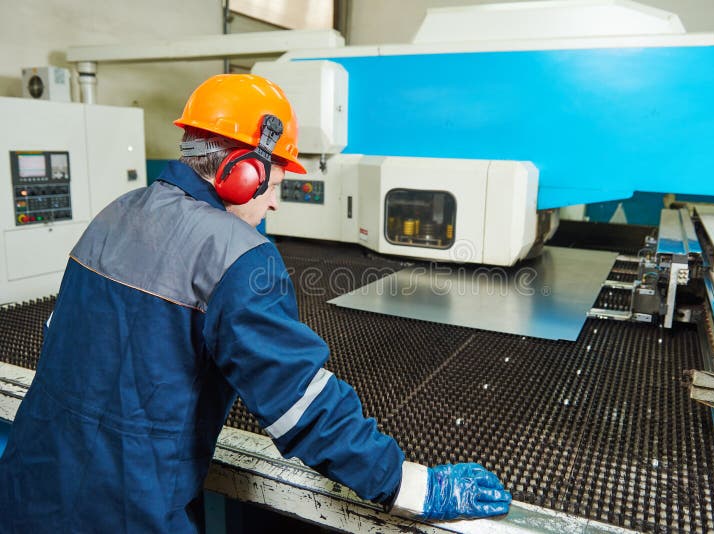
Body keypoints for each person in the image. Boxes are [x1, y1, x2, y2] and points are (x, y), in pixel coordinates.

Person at [0, 74, 511, 532]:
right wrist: (410, 487)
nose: (272, 202)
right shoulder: (239, 258)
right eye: (276, 183)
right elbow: (300, 405)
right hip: (129, 509)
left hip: (27, 486)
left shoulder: (113, 214)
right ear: (244, 171)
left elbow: (64, 339)